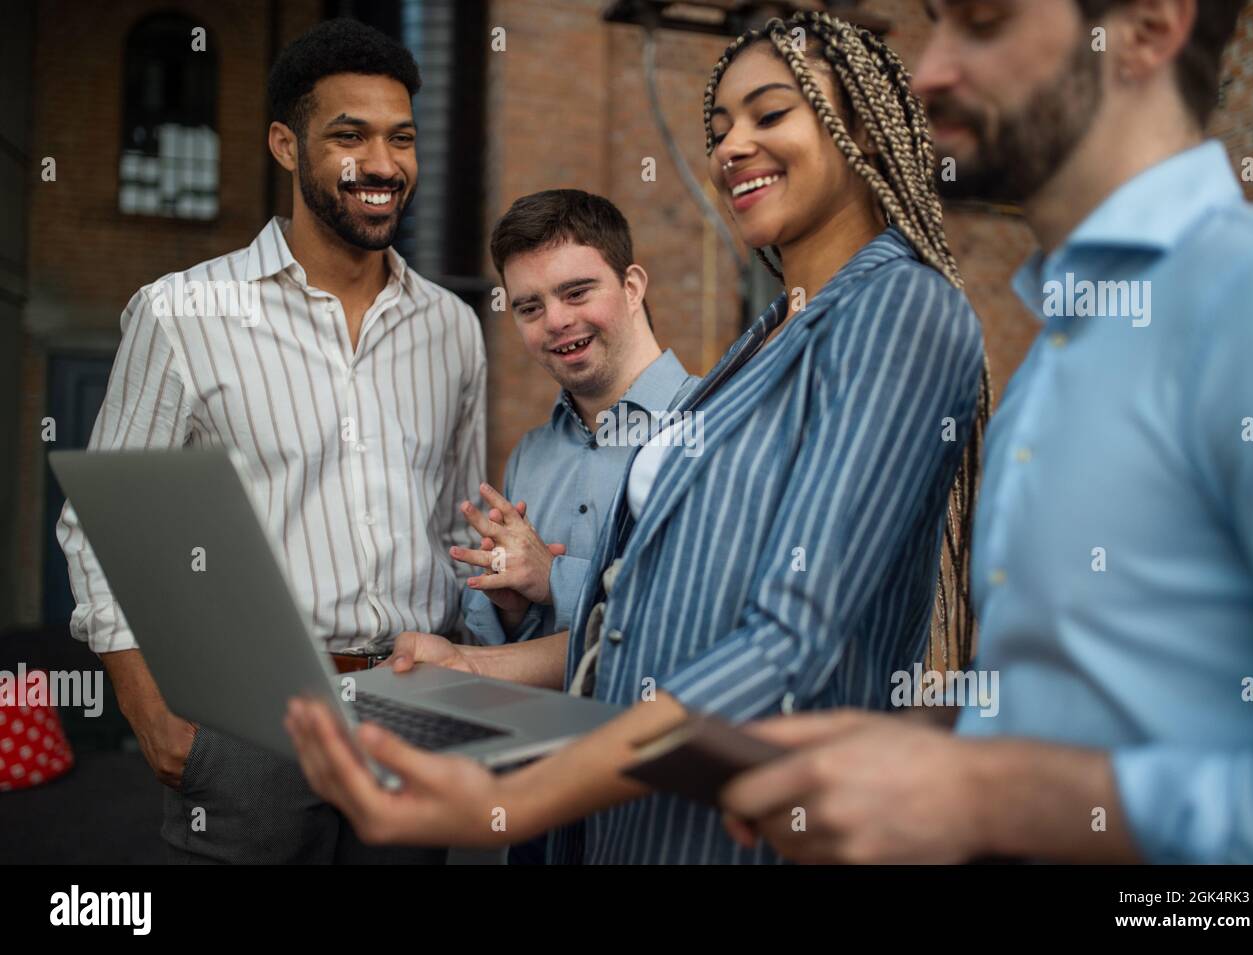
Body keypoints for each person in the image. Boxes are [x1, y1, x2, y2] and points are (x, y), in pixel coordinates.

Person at [286, 11, 988, 864]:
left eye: (770, 114)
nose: (732, 146)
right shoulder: (769, 336)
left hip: (737, 829)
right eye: (720, 126)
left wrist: (515, 797)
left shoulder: (895, 308)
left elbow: (790, 641)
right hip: (636, 821)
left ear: (865, 133)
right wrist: (470, 670)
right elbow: (650, 620)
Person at [720, 0, 1253, 864]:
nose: (927, 72)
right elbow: (1095, 705)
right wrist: (918, 749)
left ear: (1147, 27)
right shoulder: (1050, 361)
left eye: (983, 23)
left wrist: (989, 797)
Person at [56, 18, 484, 863]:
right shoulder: (181, 312)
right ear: (287, 146)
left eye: (401, 138)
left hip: (413, 709)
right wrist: (149, 710)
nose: (384, 164)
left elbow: (457, 527)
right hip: (248, 721)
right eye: (349, 136)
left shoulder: (454, 327)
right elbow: (102, 523)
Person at [454, 189, 695, 650]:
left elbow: (701, 613)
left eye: (577, 292)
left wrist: (554, 581)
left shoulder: (717, 424)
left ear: (632, 287)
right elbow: (491, 640)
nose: (556, 321)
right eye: (529, 308)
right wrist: (514, 605)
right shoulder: (531, 454)